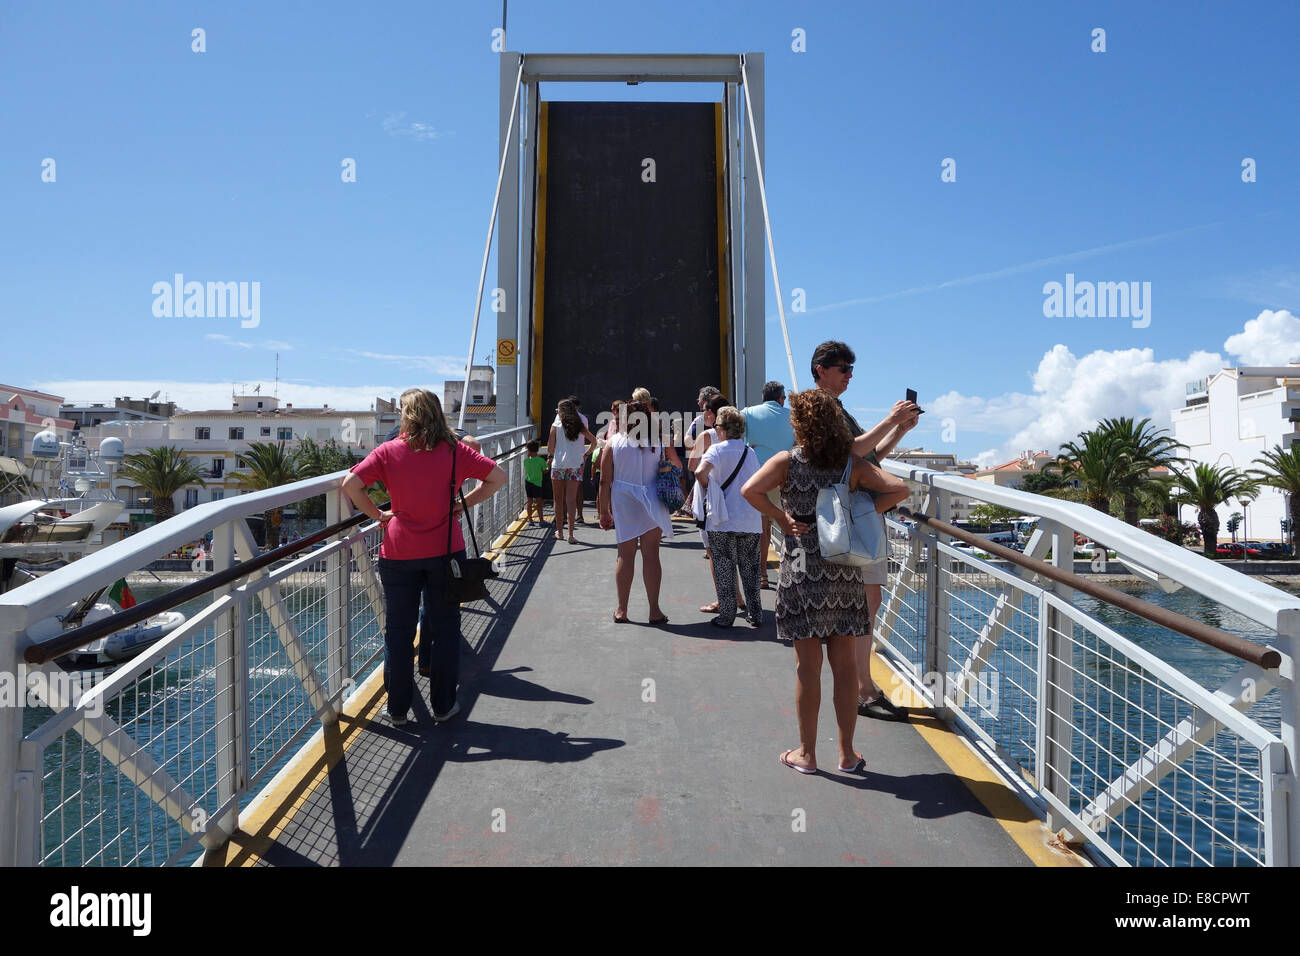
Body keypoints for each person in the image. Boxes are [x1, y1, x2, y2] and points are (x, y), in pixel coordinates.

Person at [740, 388, 910, 774]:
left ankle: (807, 754)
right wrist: (858, 515)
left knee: (807, 667)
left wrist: (782, 519)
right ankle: (847, 754)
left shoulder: (787, 461)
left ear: (799, 425)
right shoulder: (851, 465)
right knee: (845, 666)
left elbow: (749, 491)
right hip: (844, 567)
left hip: (801, 567)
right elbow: (899, 489)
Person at [342, 388, 506, 726]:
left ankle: (398, 710)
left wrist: (379, 515)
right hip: (446, 554)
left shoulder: (388, 452)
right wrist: (463, 504)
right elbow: (497, 478)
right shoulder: (456, 451)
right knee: (445, 630)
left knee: (398, 632)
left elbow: (350, 485)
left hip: (399, 551)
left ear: (408, 415)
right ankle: (444, 706)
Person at [811, 340, 920, 721]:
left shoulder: (838, 409)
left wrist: (899, 430)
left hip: (858, 514)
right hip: (853, 516)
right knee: (863, 608)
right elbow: (849, 454)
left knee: (867, 607)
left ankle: (864, 687)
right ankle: (863, 691)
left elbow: (869, 454)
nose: (849, 376)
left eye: (851, 369)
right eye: (843, 368)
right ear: (821, 369)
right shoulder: (820, 409)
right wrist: (890, 420)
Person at [597, 400, 674, 624]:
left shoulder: (614, 442)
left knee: (625, 554)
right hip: (652, 498)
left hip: (623, 498)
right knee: (651, 555)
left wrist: (603, 511)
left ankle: (622, 609)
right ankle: (654, 610)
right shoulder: (657, 441)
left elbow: (604, 480)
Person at [695, 406, 763, 628]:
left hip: (722, 520)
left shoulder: (716, 450)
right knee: (751, 570)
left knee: (725, 569)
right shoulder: (749, 452)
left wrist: (711, 488)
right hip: (750, 519)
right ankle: (756, 614)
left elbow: (699, 473)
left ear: (722, 429)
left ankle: (726, 616)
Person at [741, 380, 795, 589]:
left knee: (762, 528)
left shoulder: (747, 413)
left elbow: (740, 442)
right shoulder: (792, 416)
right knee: (786, 526)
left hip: (757, 477)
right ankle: (793, 573)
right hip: (785, 477)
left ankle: (762, 574)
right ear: (781, 399)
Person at [548, 398, 598, 544]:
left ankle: (560, 532)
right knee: (571, 500)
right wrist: (586, 455)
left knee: (558, 500)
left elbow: (551, 447)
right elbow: (594, 441)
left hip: (558, 465)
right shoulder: (580, 425)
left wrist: (552, 455)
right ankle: (571, 534)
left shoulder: (556, 425)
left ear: (561, 411)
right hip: (575, 466)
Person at [523, 439, 548, 526]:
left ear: (528, 450)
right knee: (539, 503)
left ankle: (530, 520)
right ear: (537, 449)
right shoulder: (541, 460)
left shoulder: (526, 461)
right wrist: (548, 464)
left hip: (528, 483)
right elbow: (545, 471)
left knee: (529, 502)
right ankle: (541, 520)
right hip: (537, 484)